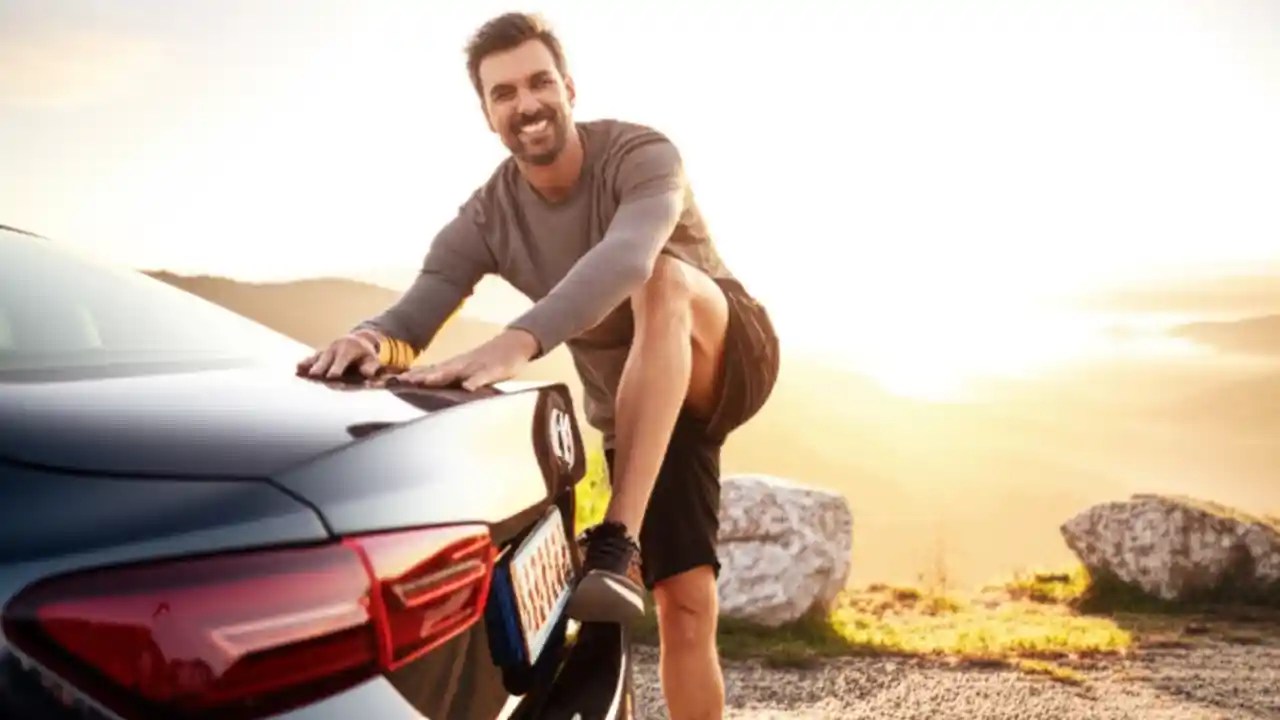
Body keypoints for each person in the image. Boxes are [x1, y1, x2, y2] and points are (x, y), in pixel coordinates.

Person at [296, 12, 779, 719]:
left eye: (538, 82)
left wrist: (517, 340)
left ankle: (614, 539)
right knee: (684, 606)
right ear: (487, 114)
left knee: (662, 280)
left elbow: (629, 258)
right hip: (644, 410)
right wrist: (370, 339)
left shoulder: (641, 156)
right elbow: (414, 316)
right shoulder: (488, 217)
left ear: (569, 88)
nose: (526, 104)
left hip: (726, 350)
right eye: (504, 94)